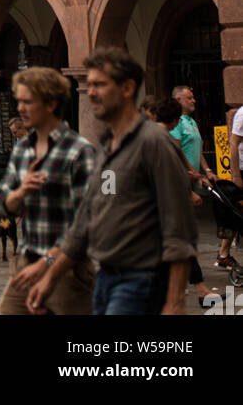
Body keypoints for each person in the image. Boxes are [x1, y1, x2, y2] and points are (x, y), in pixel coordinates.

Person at [27, 47, 197, 317]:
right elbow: (86, 221)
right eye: (89, 84)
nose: (90, 92)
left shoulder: (153, 142)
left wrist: (175, 300)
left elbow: (179, 225)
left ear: (128, 88)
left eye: (99, 84)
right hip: (106, 279)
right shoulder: (107, 145)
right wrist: (50, 276)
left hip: (143, 281)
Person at [0, 67, 96, 315]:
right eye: (18, 101)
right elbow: (2, 202)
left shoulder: (79, 151)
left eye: (27, 102)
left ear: (51, 104)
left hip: (67, 270)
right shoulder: (23, 149)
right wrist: (20, 193)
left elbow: (85, 224)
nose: (20, 108)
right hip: (26, 263)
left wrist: (47, 264)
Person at [155, 97, 218, 308]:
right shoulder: (161, 139)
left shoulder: (161, 137)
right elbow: (166, 172)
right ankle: (193, 291)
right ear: (174, 120)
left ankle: (197, 290)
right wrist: (188, 192)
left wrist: (197, 173)